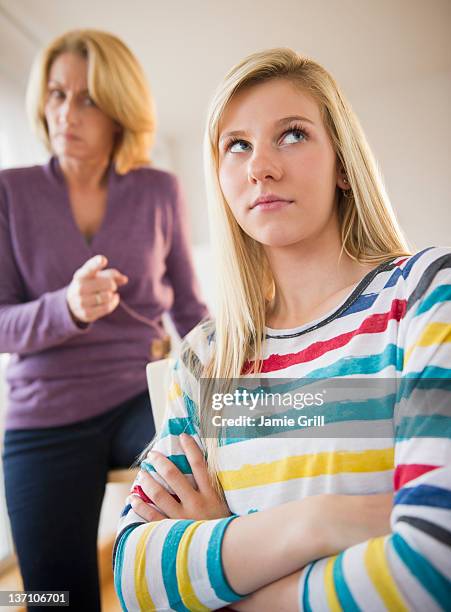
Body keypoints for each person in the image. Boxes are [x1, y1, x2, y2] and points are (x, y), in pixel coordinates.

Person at [114, 48, 451, 611]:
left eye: (292, 135)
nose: (259, 167)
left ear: (344, 164)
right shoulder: (204, 358)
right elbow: (134, 576)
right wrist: (321, 521)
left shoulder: (421, 294)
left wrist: (228, 569)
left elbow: (431, 568)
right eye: (236, 145)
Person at [0, 29, 208, 611]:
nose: (67, 112)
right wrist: (64, 308)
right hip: (44, 415)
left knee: (212, 475)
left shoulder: (159, 190)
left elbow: (189, 307)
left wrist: (233, 364)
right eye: (57, 94)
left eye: (88, 98)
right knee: (50, 597)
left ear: (119, 111)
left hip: (134, 397)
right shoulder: (8, 193)